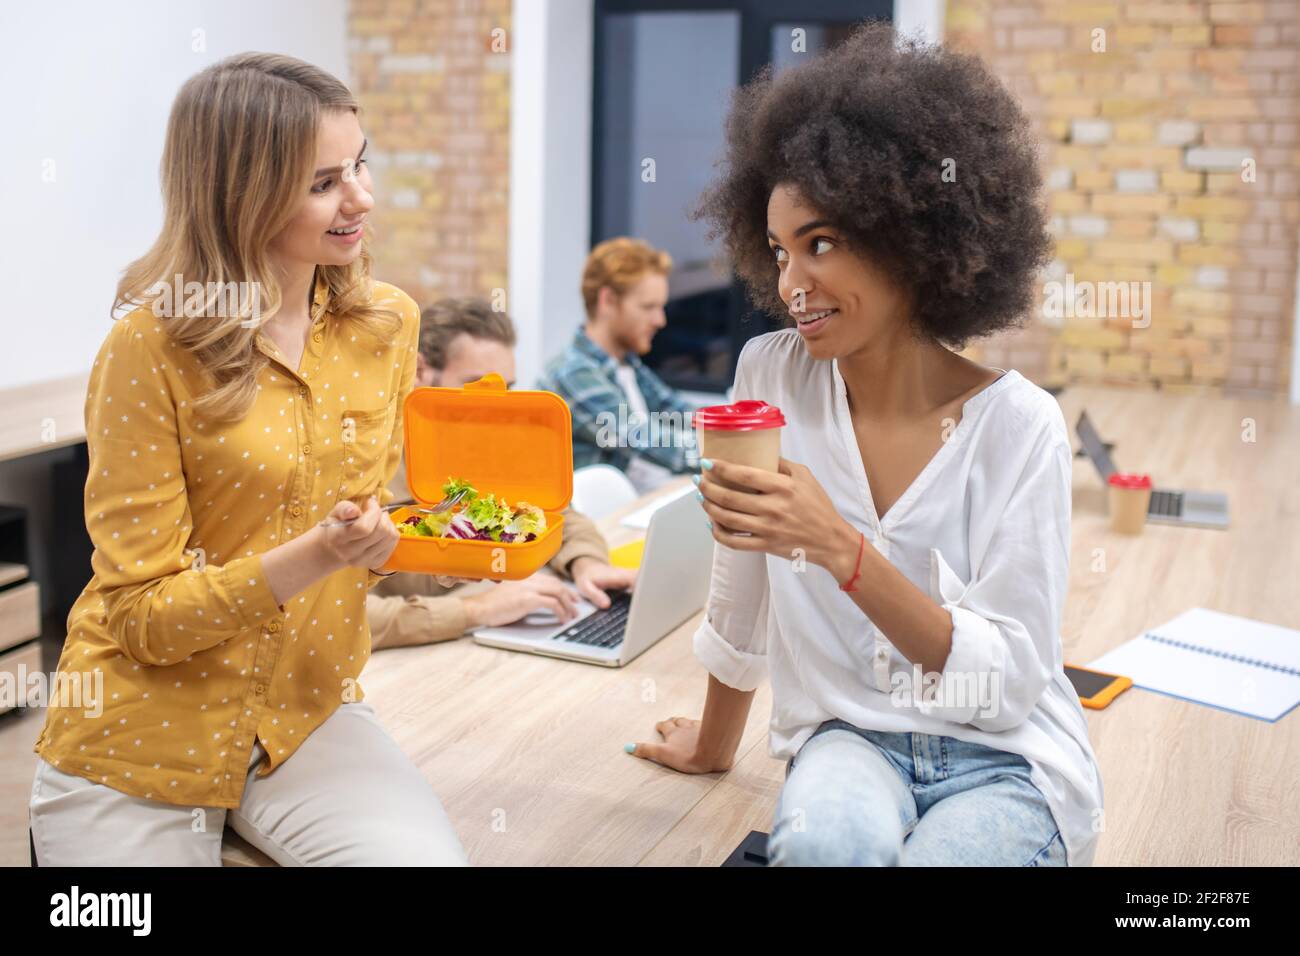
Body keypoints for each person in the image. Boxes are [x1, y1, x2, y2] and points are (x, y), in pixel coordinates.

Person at [627, 23, 1104, 867]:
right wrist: (712, 741)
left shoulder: (1019, 427)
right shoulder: (769, 376)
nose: (788, 285)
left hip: (1007, 763)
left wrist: (841, 550)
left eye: (821, 244)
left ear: (911, 238)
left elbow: (1002, 688)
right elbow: (743, 587)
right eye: (778, 251)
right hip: (847, 740)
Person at [29, 53, 467, 865]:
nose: (361, 197)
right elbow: (138, 616)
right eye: (323, 182)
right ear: (242, 193)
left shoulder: (388, 326)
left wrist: (423, 548)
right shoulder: (148, 349)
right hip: (137, 732)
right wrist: (320, 554)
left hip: (306, 712)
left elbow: (369, 534)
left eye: (361, 164)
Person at [367, 297, 638, 649]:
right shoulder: (367, 462)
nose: (495, 404)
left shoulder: (487, 443)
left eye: (505, 388)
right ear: (419, 372)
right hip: (408, 660)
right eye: (476, 384)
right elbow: (340, 615)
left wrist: (587, 564)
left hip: (485, 638)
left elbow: (556, 517)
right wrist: (474, 610)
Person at [536, 237, 699, 494]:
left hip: (638, 506)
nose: (660, 320)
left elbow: (679, 410)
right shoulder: (572, 372)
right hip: (602, 523)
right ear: (608, 300)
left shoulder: (628, 366)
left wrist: (734, 428)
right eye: (648, 307)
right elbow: (637, 435)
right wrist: (726, 454)